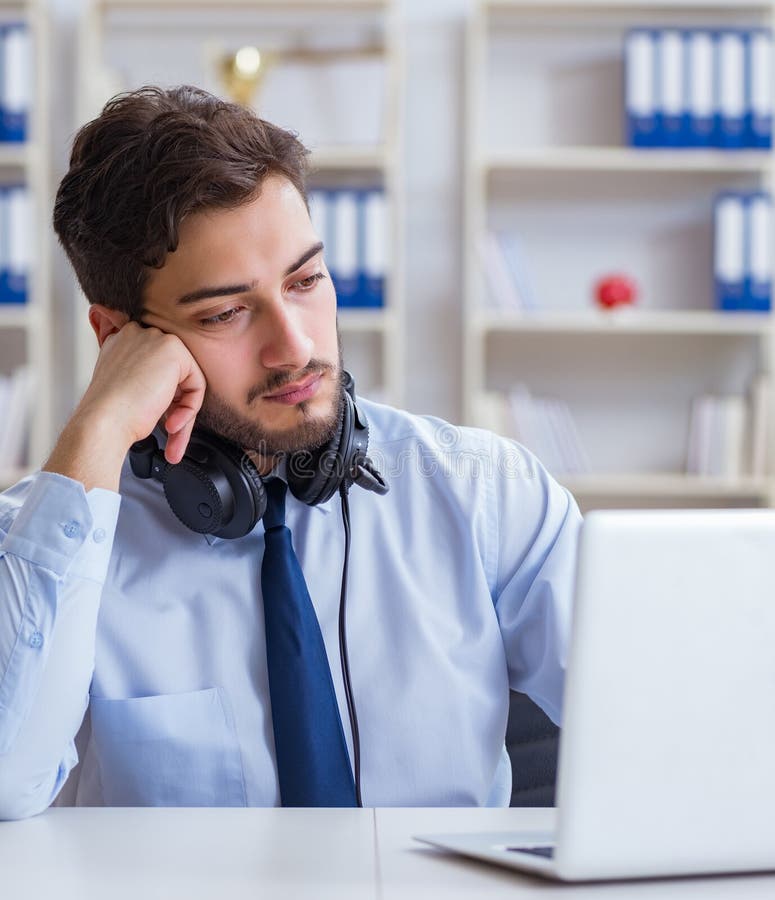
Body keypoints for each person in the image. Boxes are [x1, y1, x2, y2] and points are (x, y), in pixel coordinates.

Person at [0, 85, 581, 819]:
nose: (297, 346)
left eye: (306, 281)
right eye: (226, 313)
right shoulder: (43, 545)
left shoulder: (481, 493)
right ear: (120, 338)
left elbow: (662, 717)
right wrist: (99, 426)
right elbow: (4, 781)